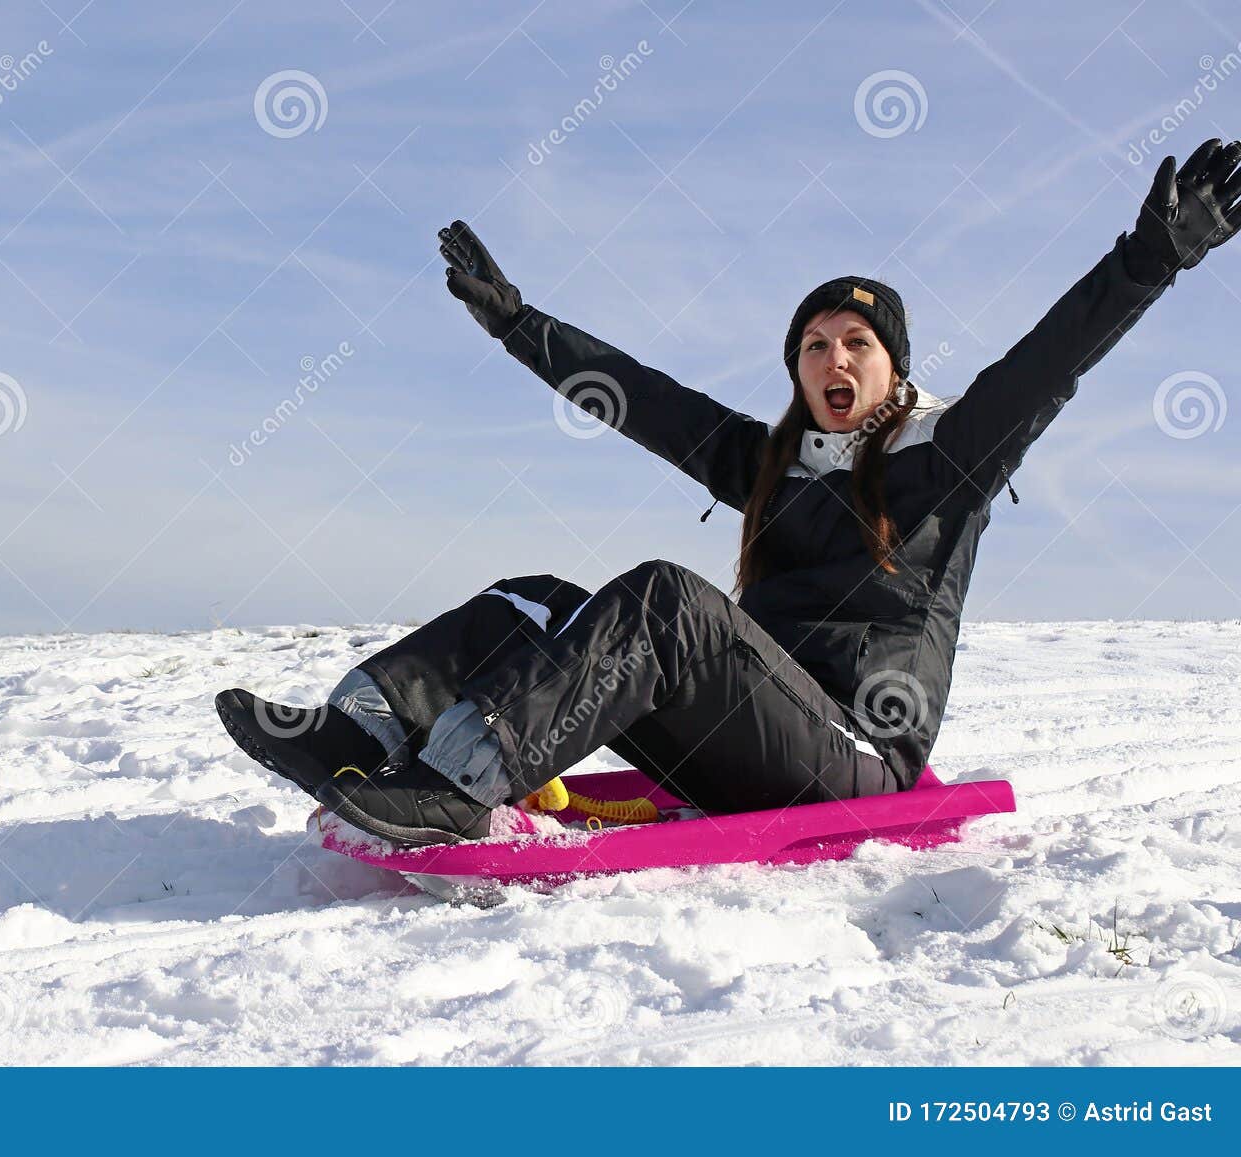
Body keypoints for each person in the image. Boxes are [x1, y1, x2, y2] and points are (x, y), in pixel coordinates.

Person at [216, 138, 1241, 849]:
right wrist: (516, 324)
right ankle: (358, 731)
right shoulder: (769, 464)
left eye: (856, 343)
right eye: (812, 345)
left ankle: (456, 785)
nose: (832, 357)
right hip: (738, 740)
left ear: (892, 366)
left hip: (851, 753)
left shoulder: (954, 453)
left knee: (667, 597)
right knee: (529, 598)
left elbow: (1050, 360)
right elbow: (641, 400)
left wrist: (1152, 255)